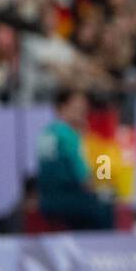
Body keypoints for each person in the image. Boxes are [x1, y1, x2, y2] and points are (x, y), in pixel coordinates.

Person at [36, 88, 114, 230]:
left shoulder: (46, 133)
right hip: (68, 199)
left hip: (46, 200)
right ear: (62, 107)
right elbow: (85, 179)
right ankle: (102, 250)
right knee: (104, 208)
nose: (83, 113)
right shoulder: (69, 136)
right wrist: (102, 189)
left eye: (84, 109)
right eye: (78, 108)